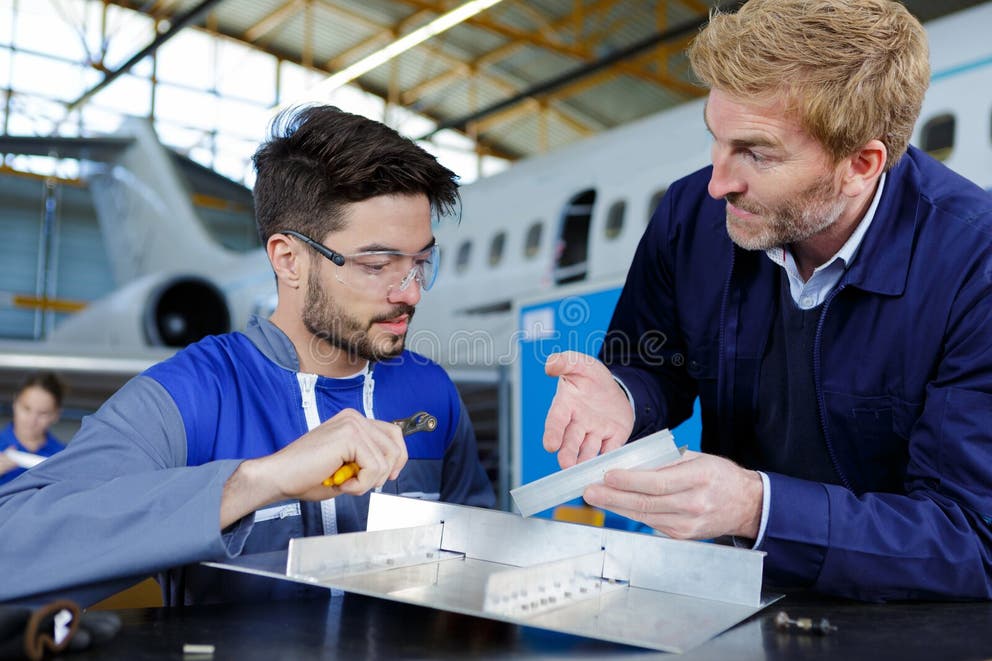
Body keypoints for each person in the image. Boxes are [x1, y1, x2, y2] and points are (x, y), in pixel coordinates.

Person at [541, 0, 992, 602]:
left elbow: (970, 538)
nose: (717, 182)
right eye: (716, 139)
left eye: (756, 152)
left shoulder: (975, 266)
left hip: (912, 618)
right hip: (747, 594)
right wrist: (622, 397)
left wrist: (759, 508)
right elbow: (655, 364)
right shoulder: (691, 219)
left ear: (862, 163)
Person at [0, 106, 494, 606]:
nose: (410, 293)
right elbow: (10, 546)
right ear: (288, 259)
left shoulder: (433, 394)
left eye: (421, 263)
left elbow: (477, 569)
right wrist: (258, 480)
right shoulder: (189, 397)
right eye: (377, 265)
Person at [0, 371, 66, 486]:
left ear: (56, 414)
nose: (31, 420)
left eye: (43, 413)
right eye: (26, 409)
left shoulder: (64, 457)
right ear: (15, 403)